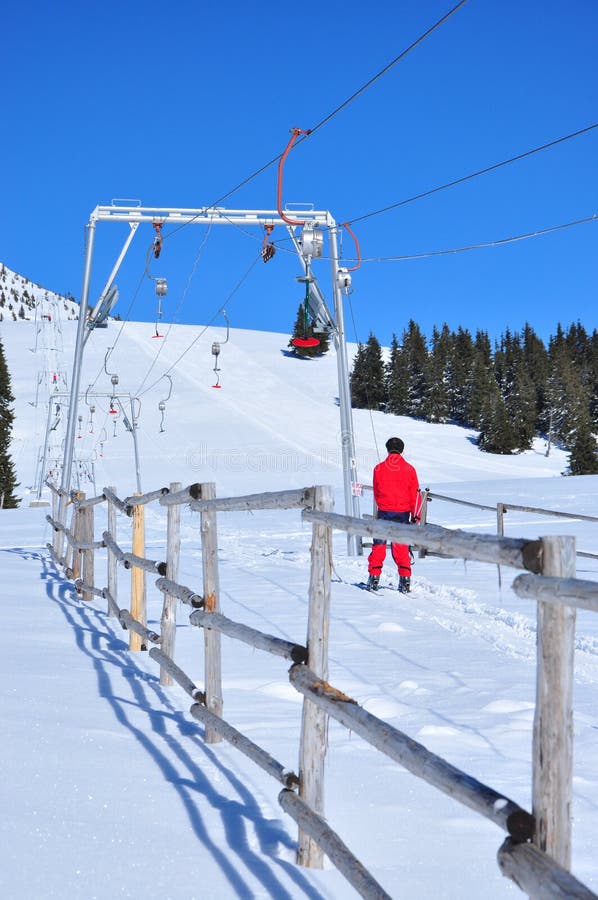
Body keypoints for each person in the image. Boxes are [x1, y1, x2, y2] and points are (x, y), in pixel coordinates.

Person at [367, 437, 420, 593]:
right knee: (401, 547)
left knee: (379, 546)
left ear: (387, 449)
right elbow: (415, 494)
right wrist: (415, 516)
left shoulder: (378, 468)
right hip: (402, 514)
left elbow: (376, 492)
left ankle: (374, 578)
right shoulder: (410, 469)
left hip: (384, 511)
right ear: (402, 450)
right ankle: (405, 580)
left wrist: (382, 505)